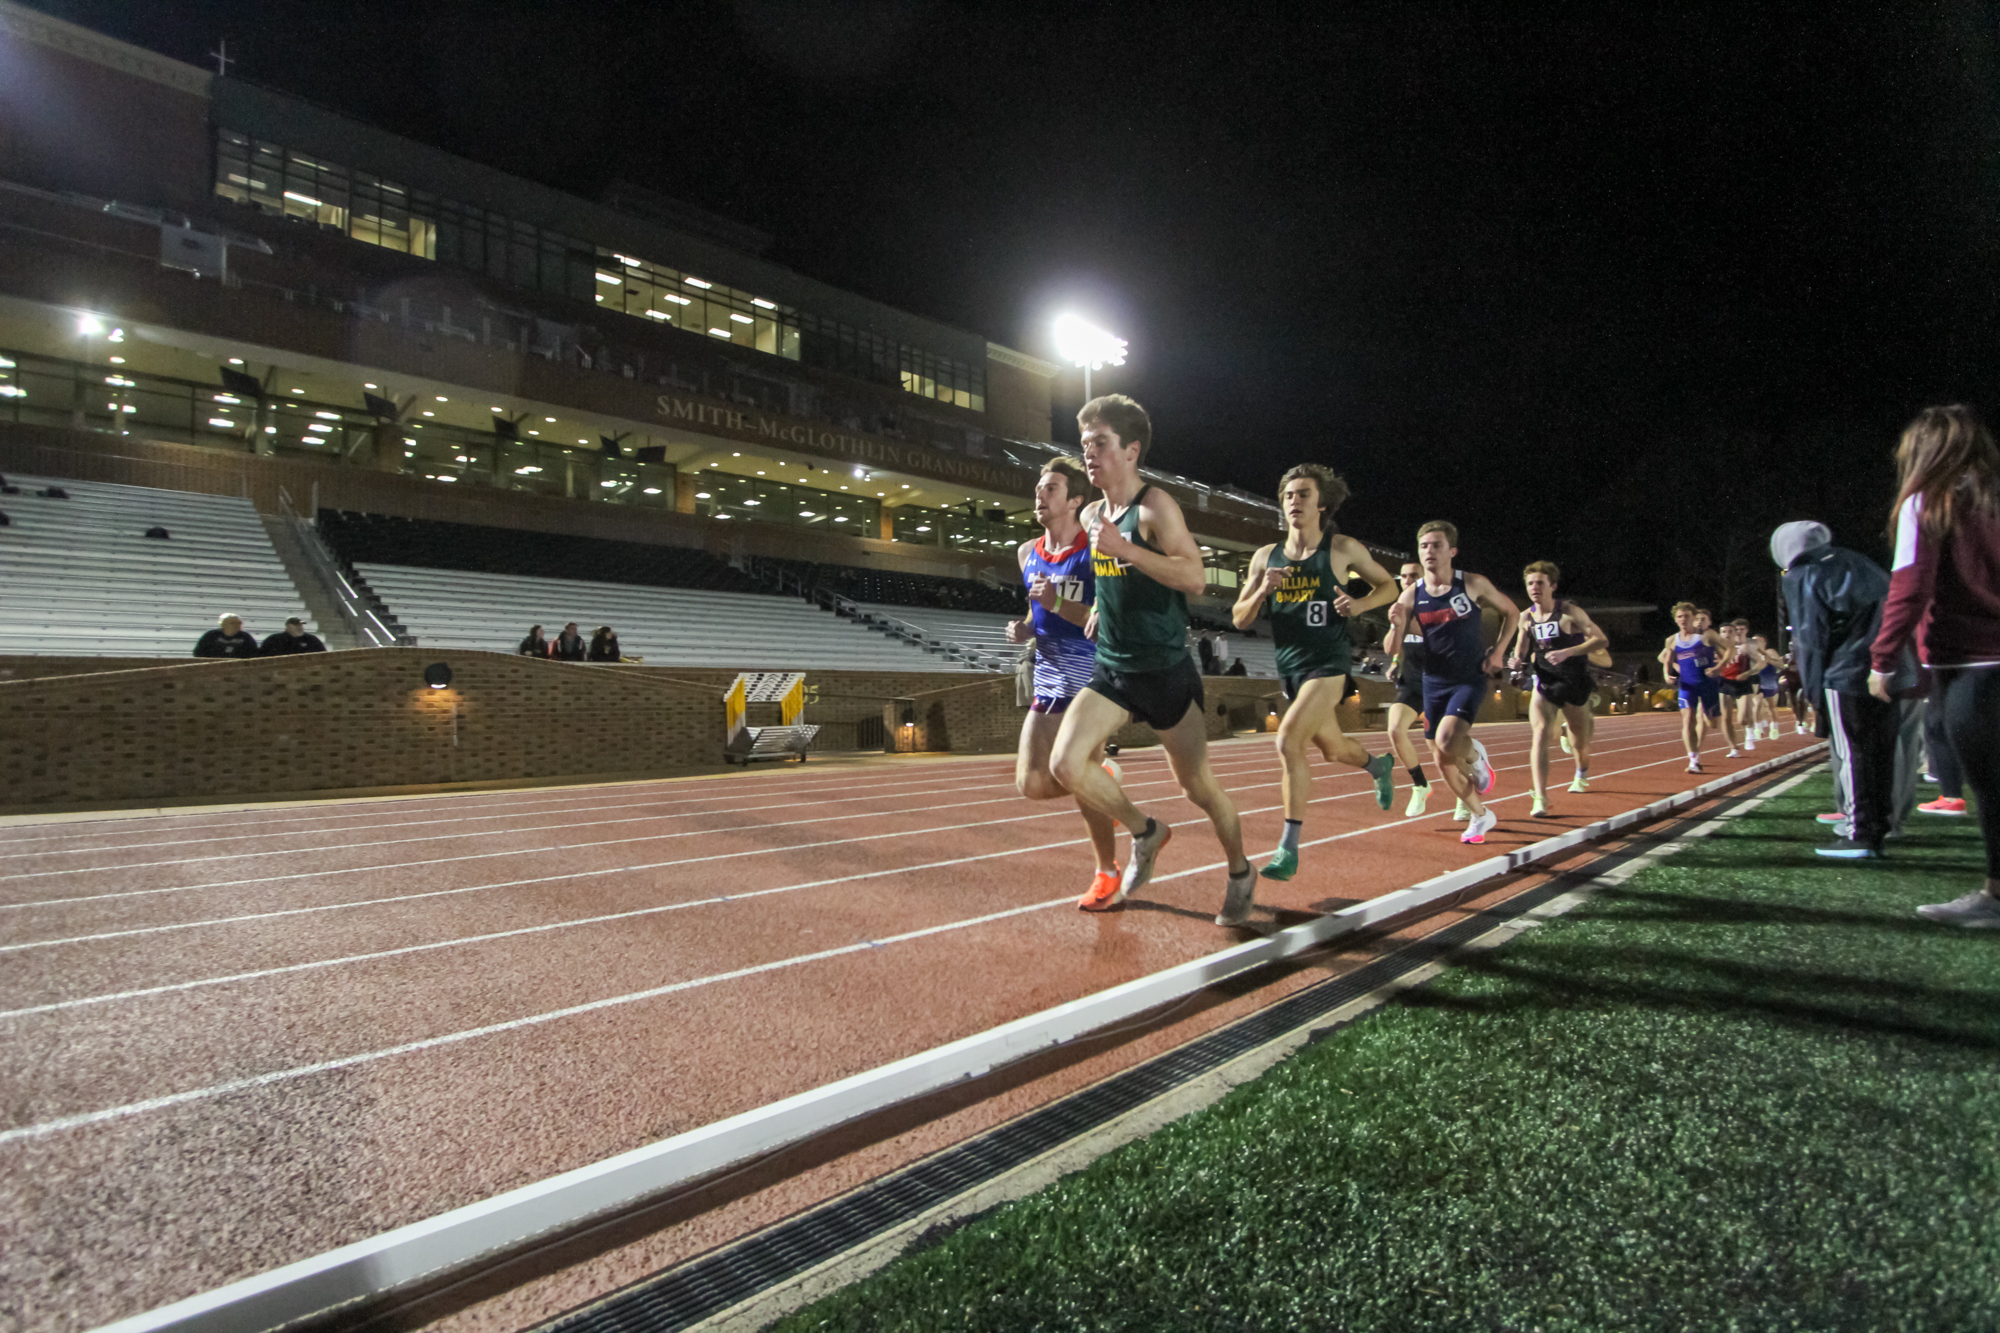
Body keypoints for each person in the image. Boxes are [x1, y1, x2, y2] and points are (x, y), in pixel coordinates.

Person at [1047, 394, 1257, 926]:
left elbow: (1195, 577)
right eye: (1084, 444)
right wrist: (1096, 604)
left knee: (1199, 789)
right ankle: (1145, 832)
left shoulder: (1155, 506)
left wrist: (1129, 551)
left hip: (1164, 671)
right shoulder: (1093, 512)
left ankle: (1239, 871)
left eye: (1100, 443)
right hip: (1113, 669)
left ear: (1131, 450)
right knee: (1066, 763)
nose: (1089, 454)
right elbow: (1110, 576)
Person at [1233, 463, 1399, 881]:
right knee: (1334, 749)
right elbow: (1238, 618)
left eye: (1303, 494)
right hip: (1289, 668)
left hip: (1328, 664)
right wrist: (1261, 590)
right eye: (1288, 495)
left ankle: (1287, 849)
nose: (1294, 502)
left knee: (1289, 741)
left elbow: (1390, 586)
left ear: (1321, 503)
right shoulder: (1264, 557)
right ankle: (1378, 766)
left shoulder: (1341, 548)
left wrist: (1358, 606)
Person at [1869, 405, 2000, 923]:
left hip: (1973, 664)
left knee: (1991, 787)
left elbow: (1909, 586)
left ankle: (1995, 897)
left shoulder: (1927, 502)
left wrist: (1883, 659)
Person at [1006, 457, 1121, 904]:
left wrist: (1055, 605)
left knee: (1076, 773)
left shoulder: (1095, 549)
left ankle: (1106, 873)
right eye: (1039, 487)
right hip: (1049, 674)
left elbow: (1104, 621)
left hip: (1093, 677)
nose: (1040, 494)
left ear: (1076, 500)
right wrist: (1025, 628)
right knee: (1033, 783)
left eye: (1051, 488)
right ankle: (1103, 778)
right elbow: (1038, 613)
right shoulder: (1026, 552)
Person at [1775, 519, 1907, 859]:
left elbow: (1811, 638)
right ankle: (1879, 824)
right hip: (1889, 669)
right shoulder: (1859, 561)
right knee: (1881, 751)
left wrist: (1816, 695)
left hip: (1846, 673)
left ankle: (1859, 832)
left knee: (1854, 753)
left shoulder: (1803, 574)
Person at [1387, 521, 1520, 844]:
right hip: (1433, 681)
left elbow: (1512, 612)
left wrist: (1500, 651)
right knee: (1441, 758)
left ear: (1452, 551)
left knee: (1447, 740)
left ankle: (1476, 758)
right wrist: (1396, 625)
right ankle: (1480, 815)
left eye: (1436, 545)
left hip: (1468, 677)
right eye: (1424, 546)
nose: (1429, 551)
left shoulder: (1472, 584)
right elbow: (1392, 648)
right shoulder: (1411, 595)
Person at [1509, 561, 1608, 817]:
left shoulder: (1570, 612)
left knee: (1580, 742)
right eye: (1530, 583)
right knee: (1540, 733)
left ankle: (1581, 771)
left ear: (1552, 586)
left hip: (1574, 682)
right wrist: (1516, 661)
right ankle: (1540, 796)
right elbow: (1521, 647)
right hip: (1545, 682)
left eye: (1540, 583)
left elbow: (1601, 639)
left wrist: (1568, 652)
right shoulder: (1525, 617)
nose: (1534, 588)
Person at [1382, 561, 1434, 816]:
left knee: (1444, 749)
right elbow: (1393, 645)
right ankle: (1420, 785)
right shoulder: (1400, 609)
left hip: (1440, 684)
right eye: (1403, 576)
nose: (1407, 580)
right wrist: (1394, 661)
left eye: (1414, 575)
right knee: (1394, 728)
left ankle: (1464, 793)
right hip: (1413, 682)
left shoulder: (1437, 605)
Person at [1659, 602, 1722, 772]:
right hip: (1687, 685)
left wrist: (1718, 667)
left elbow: (1725, 651)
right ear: (1675, 620)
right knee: (1688, 720)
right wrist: (1667, 673)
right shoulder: (1672, 640)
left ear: (1694, 618)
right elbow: (1666, 658)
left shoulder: (1705, 637)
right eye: (1679, 616)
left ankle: (1709, 714)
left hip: (1707, 684)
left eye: (1686, 616)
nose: (1683, 619)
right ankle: (1693, 760)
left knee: (1712, 722)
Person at [193, 613, 259, 658]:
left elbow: (254, 654)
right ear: (223, 625)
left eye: (239, 623)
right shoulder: (211, 635)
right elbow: (199, 653)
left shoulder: (245, 637)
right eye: (233, 623)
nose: (237, 625)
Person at [259, 617, 326, 655]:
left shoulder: (311, 640)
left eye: (301, 625)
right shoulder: (275, 640)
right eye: (296, 625)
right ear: (287, 626)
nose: (299, 627)